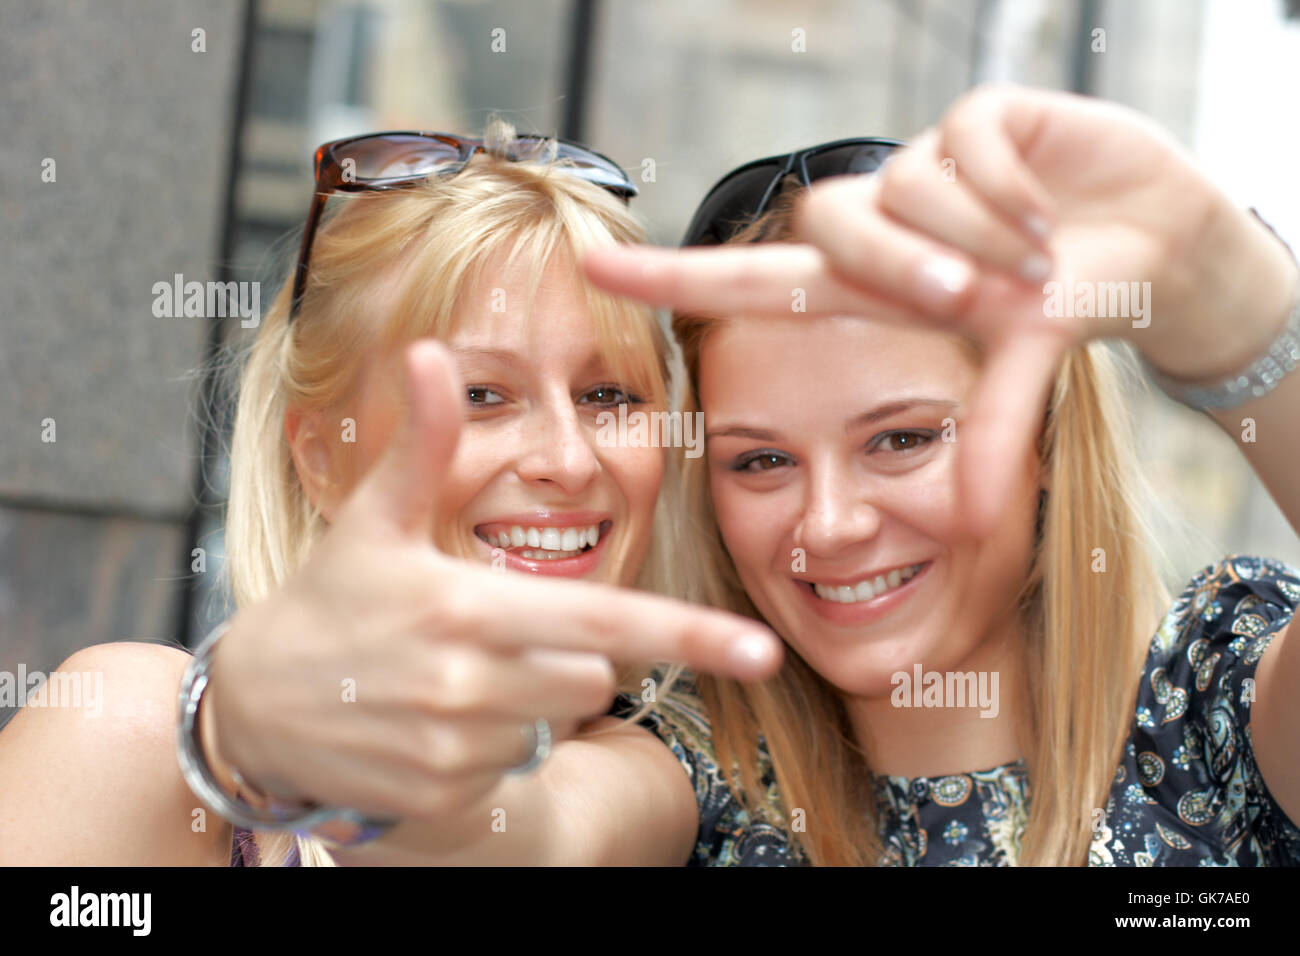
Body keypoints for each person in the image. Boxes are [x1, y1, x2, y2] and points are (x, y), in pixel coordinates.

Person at [0, 120, 782, 867]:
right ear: (321, 459)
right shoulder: (127, 731)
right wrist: (237, 726)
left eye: (609, 395)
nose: (568, 461)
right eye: (480, 395)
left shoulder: (682, 774)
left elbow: (533, 841)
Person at [584, 83, 1300, 865]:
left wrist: (1238, 309)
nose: (829, 524)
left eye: (902, 440)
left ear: (1048, 439)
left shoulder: (1215, 700)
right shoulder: (685, 772)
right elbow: (529, 828)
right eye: (762, 459)